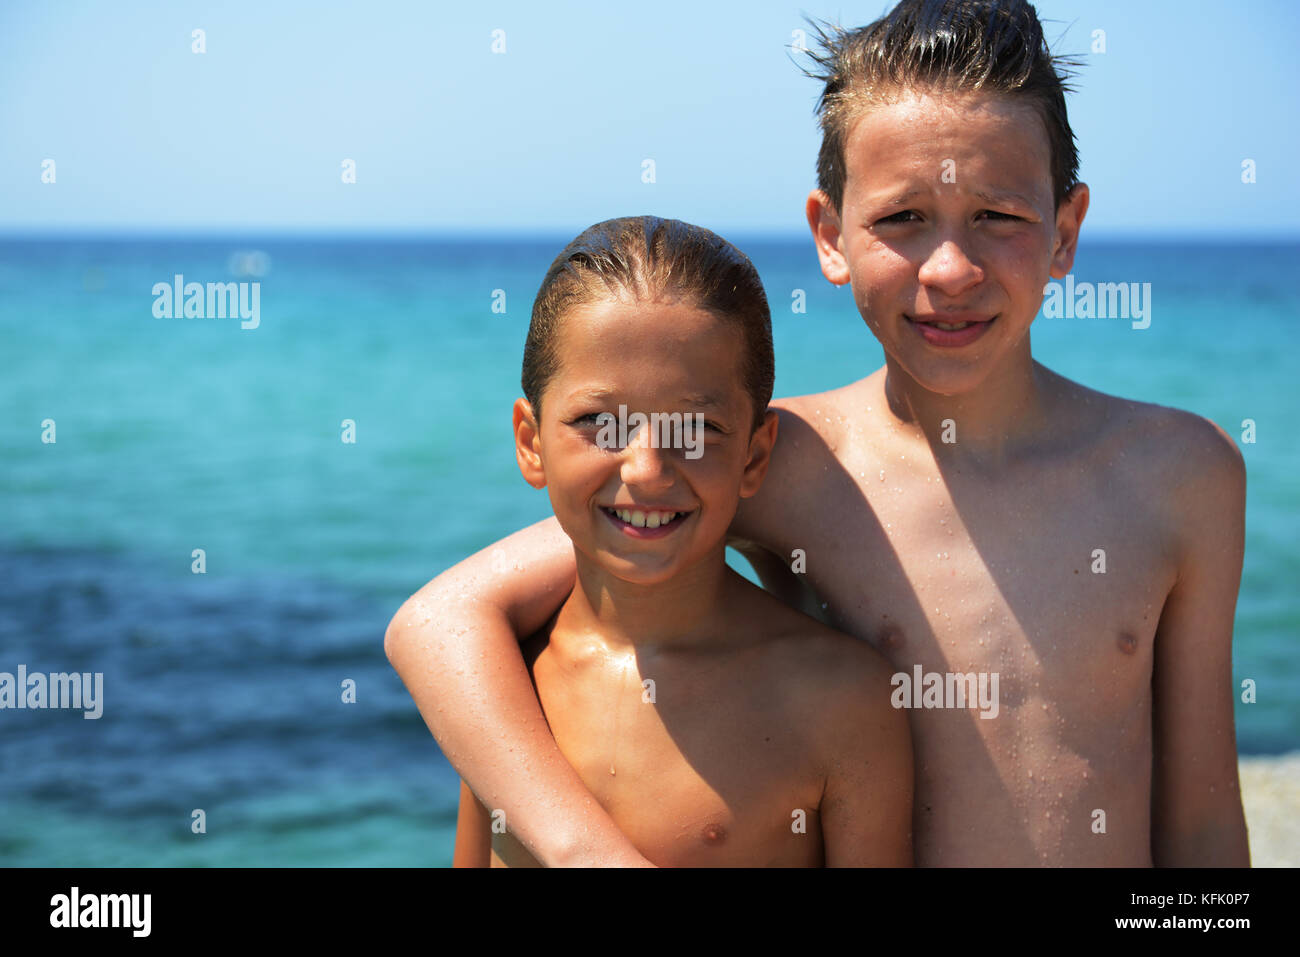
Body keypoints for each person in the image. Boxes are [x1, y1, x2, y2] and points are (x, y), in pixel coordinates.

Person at [387, 0, 1249, 866]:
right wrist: (583, 848)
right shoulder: (783, 459)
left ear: (1065, 231)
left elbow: (1204, 825)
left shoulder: (1180, 476)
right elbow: (438, 623)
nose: (951, 268)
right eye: (902, 218)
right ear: (830, 235)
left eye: (999, 216)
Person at [413, 216, 911, 867]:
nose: (646, 468)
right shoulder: (505, 685)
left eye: (694, 428)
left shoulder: (841, 698)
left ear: (755, 455)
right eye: (600, 422)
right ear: (531, 441)